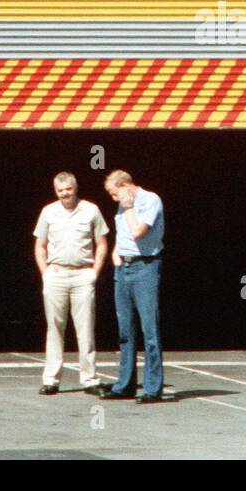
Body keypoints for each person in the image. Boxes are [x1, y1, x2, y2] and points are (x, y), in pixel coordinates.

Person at [33, 172, 108, 395]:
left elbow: (102, 243)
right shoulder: (48, 212)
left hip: (82, 275)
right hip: (56, 274)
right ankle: (51, 379)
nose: (65, 194)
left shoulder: (91, 210)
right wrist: (45, 273)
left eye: (68, 189)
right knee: (55, 328)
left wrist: (94, 272)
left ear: (76, 188)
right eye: (60, 191)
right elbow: (40, 246)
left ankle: (89, 379)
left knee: (85, 329)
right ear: (56, 192)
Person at [98, 170, 166, 404]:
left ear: (126, 185)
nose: (114, 199)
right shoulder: (122, 205)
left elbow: (138, 231)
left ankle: (152, 388)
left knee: (149, 330)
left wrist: (128, 209)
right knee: (125, 331)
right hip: (124, 267)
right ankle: (125, 384)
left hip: (145, 266)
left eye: (115, 193)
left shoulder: (150, 200)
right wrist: (116, 252)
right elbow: (124, 232)